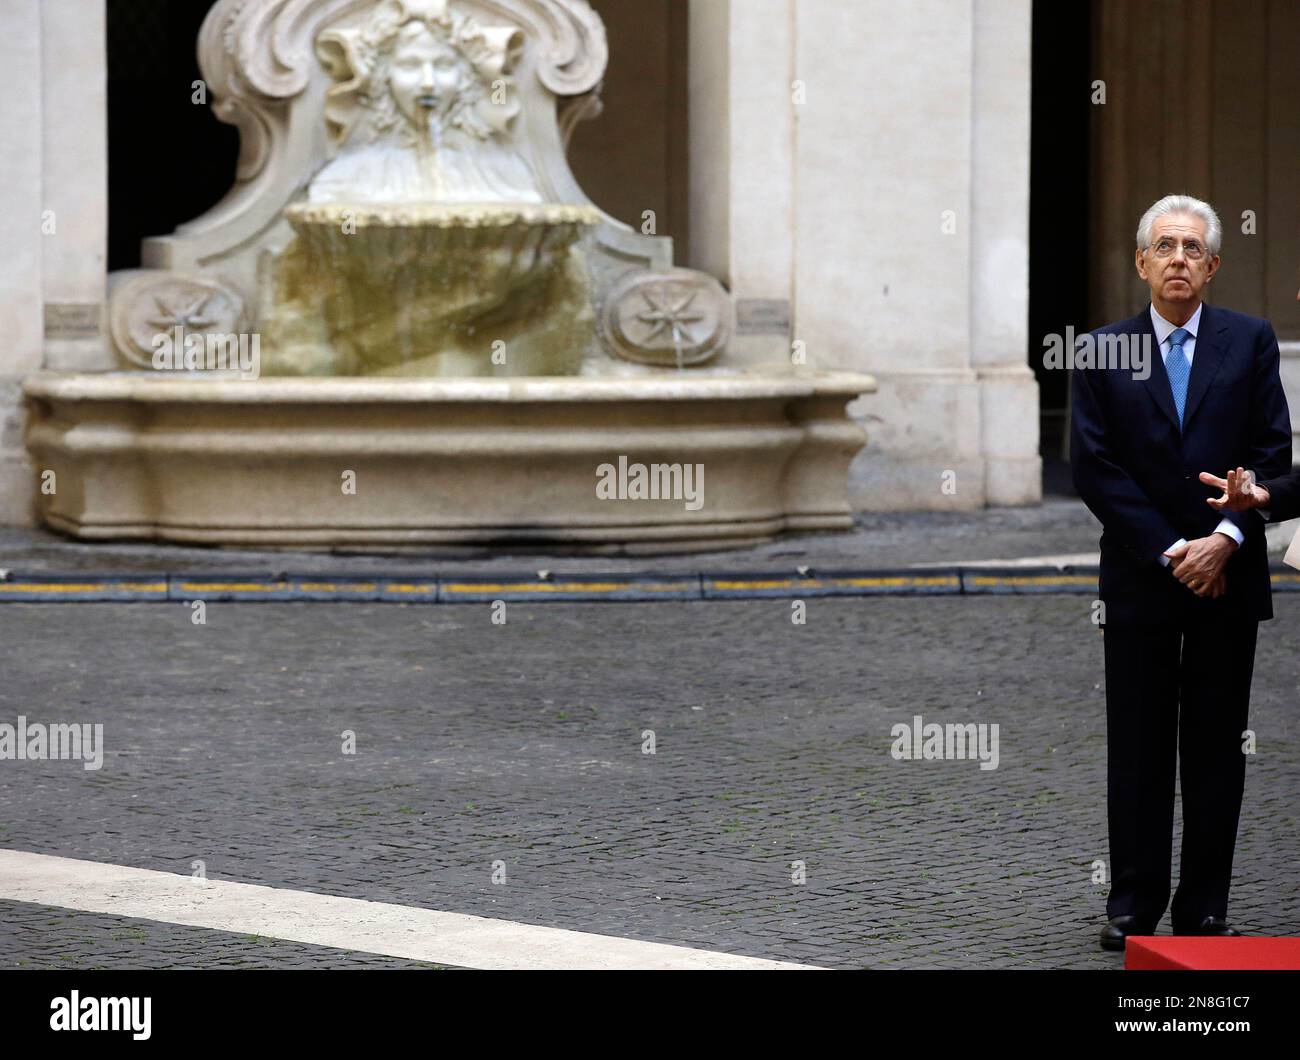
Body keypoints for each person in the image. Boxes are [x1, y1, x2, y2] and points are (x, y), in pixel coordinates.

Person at [1070, 194, 1293, 952]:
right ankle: (1133, 904)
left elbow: (1273, 456)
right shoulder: (1103, 350)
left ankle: (1203, 907)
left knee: (1214, 746)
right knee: (1136, 745)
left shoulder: (1250, 341)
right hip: (1142, 579)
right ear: (1140, 262)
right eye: (1163, 246)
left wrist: (1226, 535)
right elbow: (1094, 470)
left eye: (1193, 248)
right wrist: (1176, 551)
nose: (1178, 259)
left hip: (1230, 579)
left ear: (1213, 265)